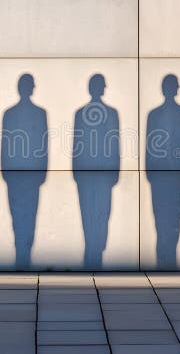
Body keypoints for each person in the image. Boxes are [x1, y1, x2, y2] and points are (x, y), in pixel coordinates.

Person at [1, 74, 48, 270]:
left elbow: (43, 144)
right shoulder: (37, 113)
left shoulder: (12, 113)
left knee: (22, 215)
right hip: (25, 174)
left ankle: (23, 255)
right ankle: (23, 254)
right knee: (27, 215)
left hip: (22, 174)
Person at [73, 74, 119, 270]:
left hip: (96, 174)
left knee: (95, 213)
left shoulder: (83, 113)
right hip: (95, 174)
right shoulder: (109, 113)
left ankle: (94, 251)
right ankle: (94, 251)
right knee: (97, 213)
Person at [146, 74, 180, 269]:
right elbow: (149, 146)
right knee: (160, 218)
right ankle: (162, 258)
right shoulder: (154, 115)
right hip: (159, 176)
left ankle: (169, 258)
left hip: (176, 177)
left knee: (174, 218)